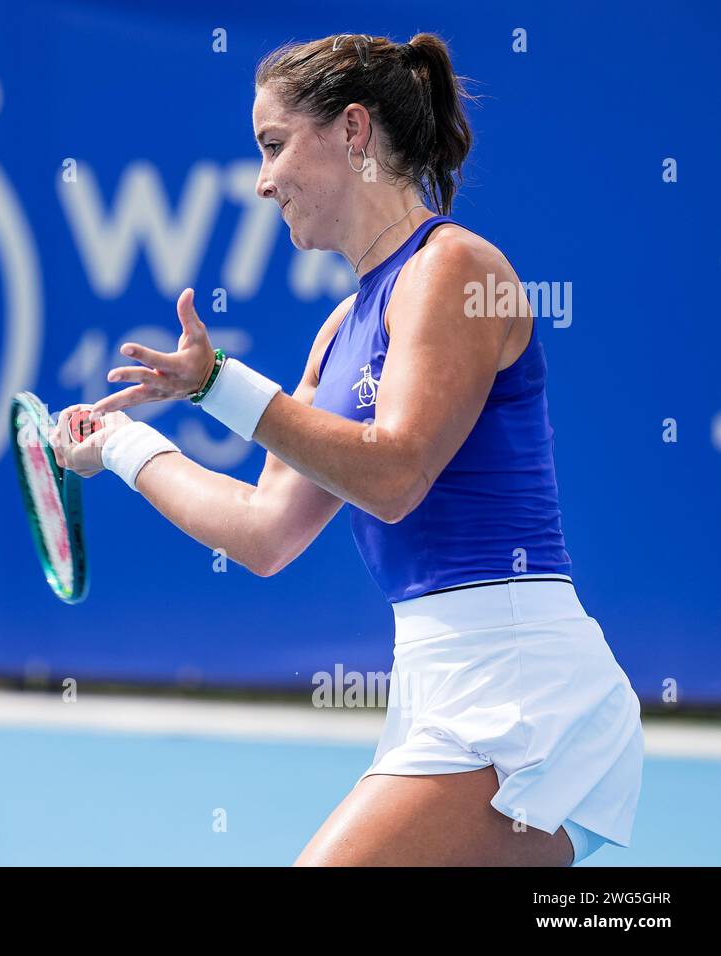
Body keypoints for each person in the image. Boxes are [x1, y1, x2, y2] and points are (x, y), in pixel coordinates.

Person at [50, 32, 643, 866]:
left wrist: (218, 382)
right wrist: (121, 443)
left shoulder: (453, 268)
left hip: (522, 688)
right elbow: (265, 532)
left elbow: (396, 475)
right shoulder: (338, 334)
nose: (262, 181)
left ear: (353, 132)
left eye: (273, 145)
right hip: (438, 689)